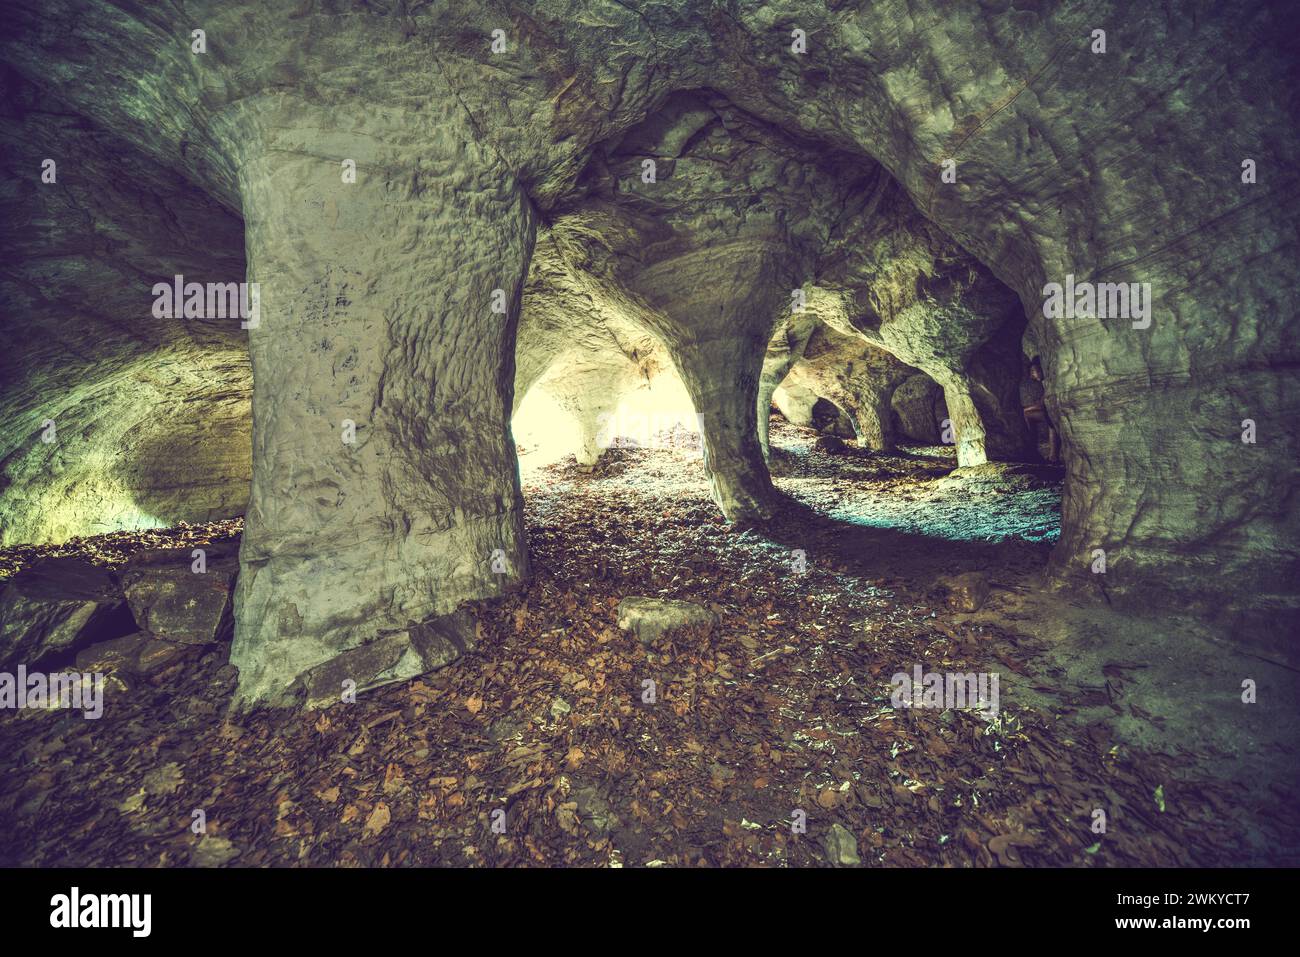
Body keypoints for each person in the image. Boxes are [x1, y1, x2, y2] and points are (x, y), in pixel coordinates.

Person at [1021, 356, 1060, 463]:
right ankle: (1033, 447)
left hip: (1053, 413)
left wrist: (1025, 409)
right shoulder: (1043, 383)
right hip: (1049, 411)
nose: (1034, 374)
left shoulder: (1048, 381)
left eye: (1036, 371)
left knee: (1049, 420)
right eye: (1032, 371)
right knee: (1027, 414)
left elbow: (1041, 404)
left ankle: (1052, 455)